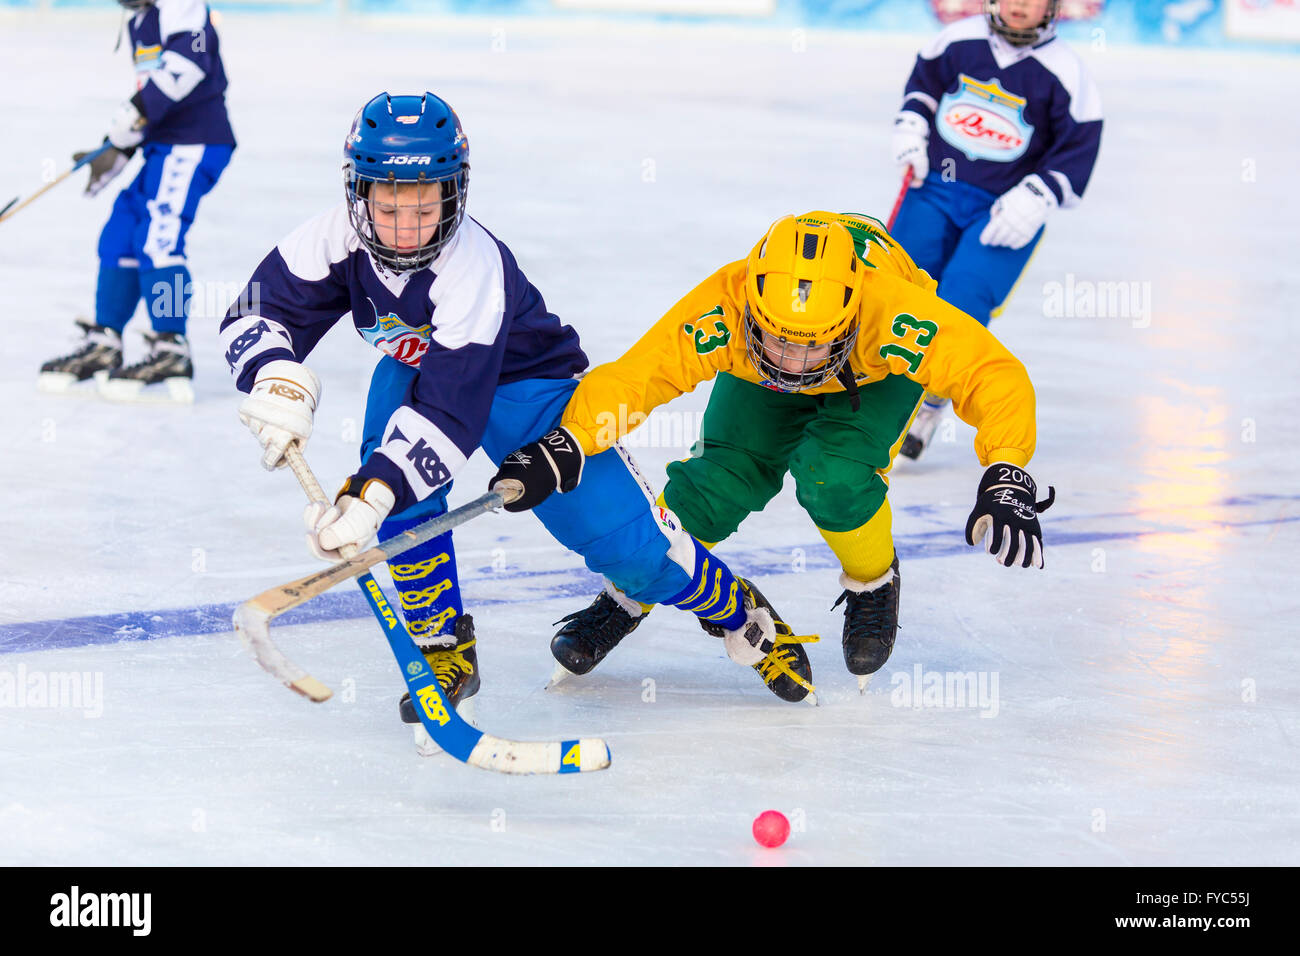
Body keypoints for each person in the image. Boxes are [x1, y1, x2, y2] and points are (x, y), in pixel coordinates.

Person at [219, 93, 821, 743]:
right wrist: (274, 378)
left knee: (636, 553)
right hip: (418, 368)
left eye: (425, 208)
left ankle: (740, 613)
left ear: (455, 193)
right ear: (357, 191)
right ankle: (444, 646)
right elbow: (255, 311)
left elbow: (451, 411)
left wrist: (368, 491)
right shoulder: (331, 236)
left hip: (528, 389)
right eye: (388, 208)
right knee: (400, 498)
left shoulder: (473, 267)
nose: (404, 229)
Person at [492, 211, 1054, 691]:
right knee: (715, 482)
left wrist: (1005, 467)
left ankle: (874, 580)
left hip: (869, 378)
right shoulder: (726, 304)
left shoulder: (893, 313)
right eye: (778, 340)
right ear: (751, 310)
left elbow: (990, 372)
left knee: (833, 475)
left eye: (812, 346)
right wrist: (568, 441)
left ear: (852, 317)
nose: (792, 365)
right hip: (782, 367)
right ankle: (632, 589)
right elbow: (638, 377)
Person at [890, 0, 1101, 458]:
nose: (1021, 4)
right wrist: (910, 124)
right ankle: (871, 395)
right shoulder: (957, 40)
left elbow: (1077, 148)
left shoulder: (1067, 71)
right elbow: (923, 88)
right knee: (897, 288)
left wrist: (1040, 194)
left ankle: (929, 401)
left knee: (962, 304)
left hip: (1005, 208)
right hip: (936, 188)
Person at [39, 0, 235, 403]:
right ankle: (106, 338)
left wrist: (126, 126)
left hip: (195, 143)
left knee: (158, 237)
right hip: (163, 146)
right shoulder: (140, 21)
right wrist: (115, 151)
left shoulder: (182, 6)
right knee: (121, 233)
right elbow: (152, 101)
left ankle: (170, 347)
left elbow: (182, 73)